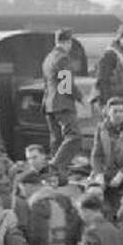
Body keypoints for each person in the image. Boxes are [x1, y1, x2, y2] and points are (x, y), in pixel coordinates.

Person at [89, 97, 123, 214]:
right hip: (107, 172)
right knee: (94, 193)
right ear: (108, 112)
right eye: (115, 111)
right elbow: (96, 154)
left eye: (121, 111)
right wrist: (98, 174)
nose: (118, 115)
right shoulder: (101, 129)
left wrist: (121, 174)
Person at [42, 28, 82, 157]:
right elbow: (66, 85)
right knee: (74, 136)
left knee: (56, 140)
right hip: (62, 104)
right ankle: (56, 164)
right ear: (68, 42)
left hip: (49, 106)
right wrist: (81, 99)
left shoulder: (48, 58)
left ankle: (56, 173)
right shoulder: (62, 58)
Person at [93, 28, 123, 109]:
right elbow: (102, 79)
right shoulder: (110, 55)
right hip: (112, 99)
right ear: (119, 38)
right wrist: (106, 102)